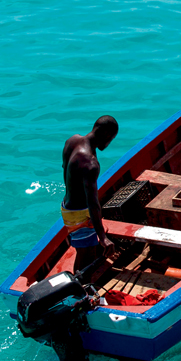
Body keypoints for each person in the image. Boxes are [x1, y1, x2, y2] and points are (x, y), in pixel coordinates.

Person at [61, 115, 119, 279]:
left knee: (86, 252)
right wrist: (102, 237)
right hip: (80, 214)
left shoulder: (72, 141)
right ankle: (77, 292)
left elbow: (66, 171)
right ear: (107, 136)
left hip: (67, 206)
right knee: (85, 264)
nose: (108, 144)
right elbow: (92, 203)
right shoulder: (90, 163)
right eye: (111, 140)